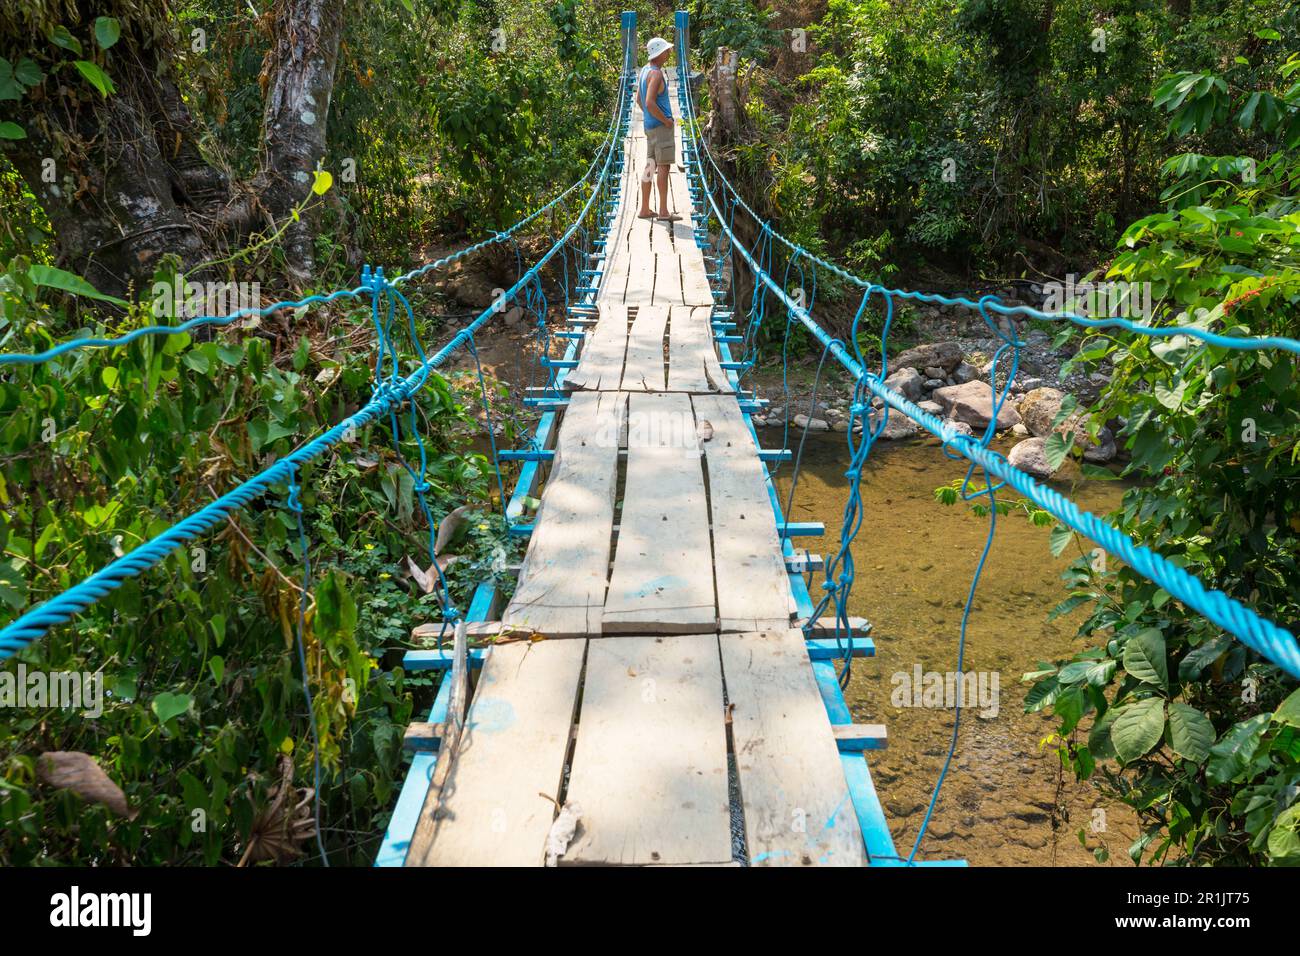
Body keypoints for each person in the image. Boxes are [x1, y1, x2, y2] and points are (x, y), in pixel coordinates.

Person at [636, 36, 681, 222]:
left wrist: (649, 116)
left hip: (649, 127)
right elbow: (649, 102)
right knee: (664, 166)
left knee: (650, 164)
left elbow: (639, 99)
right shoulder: (656, 74)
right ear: (659, 53)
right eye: (666, 51)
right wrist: (666, 121)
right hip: (661, 128)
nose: (669, 53)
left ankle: (645, 209)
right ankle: (663, 211)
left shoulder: (644, 71)